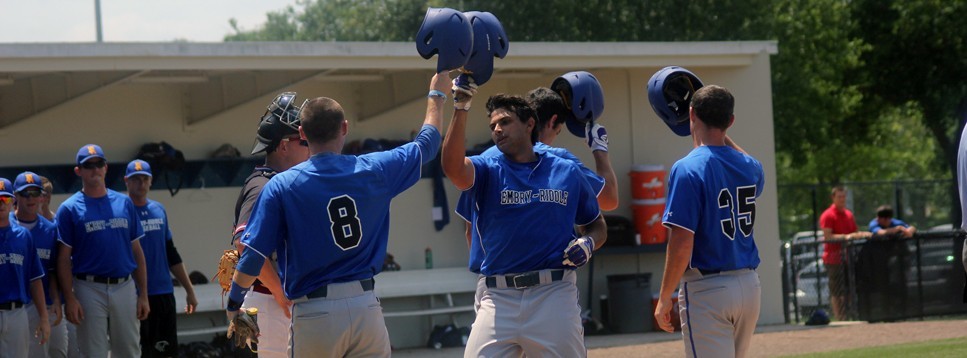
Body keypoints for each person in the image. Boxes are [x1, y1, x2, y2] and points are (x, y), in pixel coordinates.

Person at [226, 71, 450, 357]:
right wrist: (437, 96)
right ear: (344, 128)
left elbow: (253, 255)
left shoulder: (282, 184)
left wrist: (234, 303)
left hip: (314, 312)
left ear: (303, 134)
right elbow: (428, 143)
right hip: (365, 307)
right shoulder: (375, 168)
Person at [442, 83, 607, 356]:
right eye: (493, 124)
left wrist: (589, 243)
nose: (497, 129)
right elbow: (453, 168)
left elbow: (597, 224)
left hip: (553, 293)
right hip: (498, 297)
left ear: (530, 123)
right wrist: (460, 107)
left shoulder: (565, 170)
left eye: (505, 121)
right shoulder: (486, 167)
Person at [454, 85, 618, 273]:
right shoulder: (561, 161)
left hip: (497, 284)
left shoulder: (484, 160)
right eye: (558, 131)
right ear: (552, 122)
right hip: (548, 281)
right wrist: (600, 150)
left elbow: (471, 231)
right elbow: (609, 199)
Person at [652, 85, 764, 358]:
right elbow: (744, 159)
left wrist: (665, 296)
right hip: (749, 287)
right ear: (731, 121)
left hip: (708, 290)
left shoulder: (688, 167)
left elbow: (681, 241)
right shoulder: (750, 166)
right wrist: (721, 126)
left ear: (691, 114)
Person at [229, 91, 310, 357]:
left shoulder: (283, 182)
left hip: (278, 300)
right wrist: (279, 293)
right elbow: (244, 243)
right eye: (303, 141)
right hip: (268, 299)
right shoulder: (262, 184)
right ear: (284, 145)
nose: (309, 146)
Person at [56, 144, 150, 357]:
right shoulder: (69, 208)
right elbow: (63, 259)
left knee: (129, 349)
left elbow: (137, 251)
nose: (94, 169)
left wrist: (143, 294)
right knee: (93, 351)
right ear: (78, 171)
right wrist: (70, 298)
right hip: (88, 287)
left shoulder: (124, 203)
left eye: (99, 164)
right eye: (88, 165)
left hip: (124, 285)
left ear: (106, 168)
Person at [124, 159, 199, 357]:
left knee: (165, 350)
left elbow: (170, 252)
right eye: (136, 179)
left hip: (163, 292)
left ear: (151, 181)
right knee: (140, 351)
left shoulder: (159, 209)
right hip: (133, 294)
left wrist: (189, 290)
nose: (141, 183)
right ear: (127, 182)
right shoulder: (121, 212)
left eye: (144, 179)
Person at [12, 172, 67, 358]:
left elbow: (51, 271)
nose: (31, 198)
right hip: (13, 306)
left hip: (42, 304)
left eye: (35, 193)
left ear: (43, 197)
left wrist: (57, 300)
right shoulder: (6, 225)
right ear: (16, 197)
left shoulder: (50, 229)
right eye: (25, 193)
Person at [0, 177, 51, 356]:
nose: (1, 204)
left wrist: (44, 318)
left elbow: (35, 279)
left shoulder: (23, 236)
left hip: (17, 313)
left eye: (5, 199)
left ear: (12, 200)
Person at [819, 186, 871, 321]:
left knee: (849, 290)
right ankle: (840, 318)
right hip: (834, 259)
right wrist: (846, 237)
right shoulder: (828, 215)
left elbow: (854, 232)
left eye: (844, 196)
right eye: (839, 197)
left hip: (849, 258)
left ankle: (849, 315)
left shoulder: (848, 214)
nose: (842, 199)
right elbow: (828, 236)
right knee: (837, 292)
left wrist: (861, 234)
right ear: (833, 198)